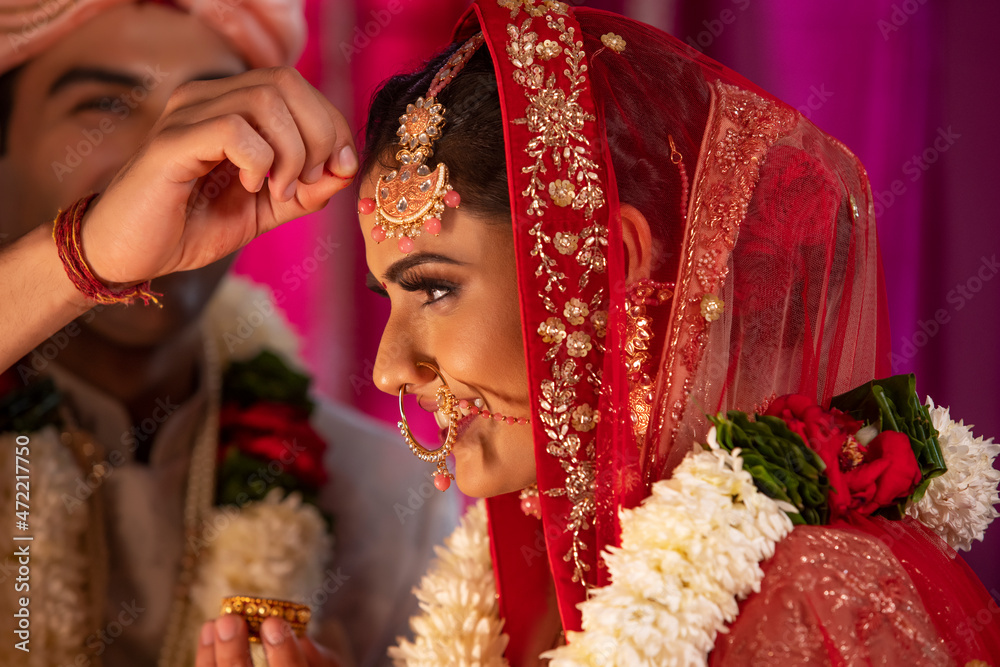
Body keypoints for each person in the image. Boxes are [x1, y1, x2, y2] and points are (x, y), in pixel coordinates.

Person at [341, 2, 998, 666]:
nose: (389, 368)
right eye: (389, 296)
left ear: (607, 261)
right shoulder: (536, 564)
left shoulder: (816, 596)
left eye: (433, 288)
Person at [0, 2, 456, 667]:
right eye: (103, 105)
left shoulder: (386, 495)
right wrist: (88, 253)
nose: (168, 162)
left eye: (216, 116)